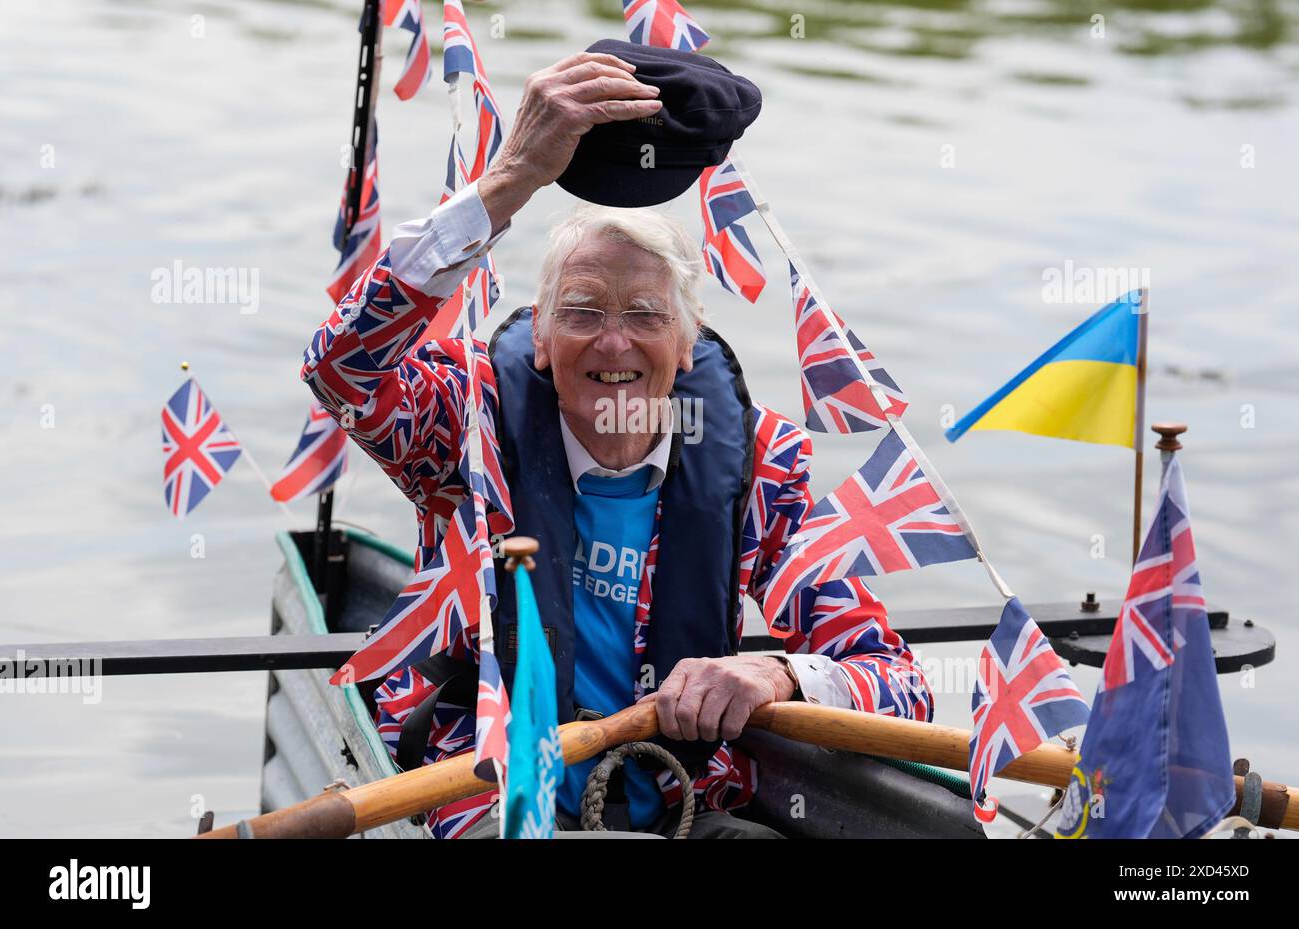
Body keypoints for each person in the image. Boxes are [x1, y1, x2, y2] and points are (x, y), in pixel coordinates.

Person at [302, 51, 933, 838]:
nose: (613, 343)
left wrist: (770, 671)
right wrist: (510, 182)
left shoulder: (760, 465)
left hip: (679, 803)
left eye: (643, 314)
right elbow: (340, 369)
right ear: (537, 334)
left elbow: (899, 680)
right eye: (582, 310)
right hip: (484, 798)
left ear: (688, 338)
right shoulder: (467, 422)